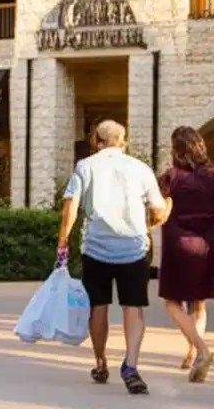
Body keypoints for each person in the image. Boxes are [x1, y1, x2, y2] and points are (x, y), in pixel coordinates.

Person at [56, 120, 168, 395]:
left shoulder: (85, 167)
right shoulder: (141, 169)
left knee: (99, 307)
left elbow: (70, 208)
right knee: (134, 307)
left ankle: (100, 361)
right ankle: (130, 366)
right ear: (123, 141)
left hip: (96, 249)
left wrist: (62, 243)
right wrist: (168, 208)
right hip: (134, 249)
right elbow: (158, 211)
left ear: (96, 140)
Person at [158, 126, 214, 383]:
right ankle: (194, 350)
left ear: (176, 150)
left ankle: (201, 349)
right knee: (199, 302)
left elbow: (160, 212)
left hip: (179, 243)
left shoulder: (171, 178)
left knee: (172, 303)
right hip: (208, 244)